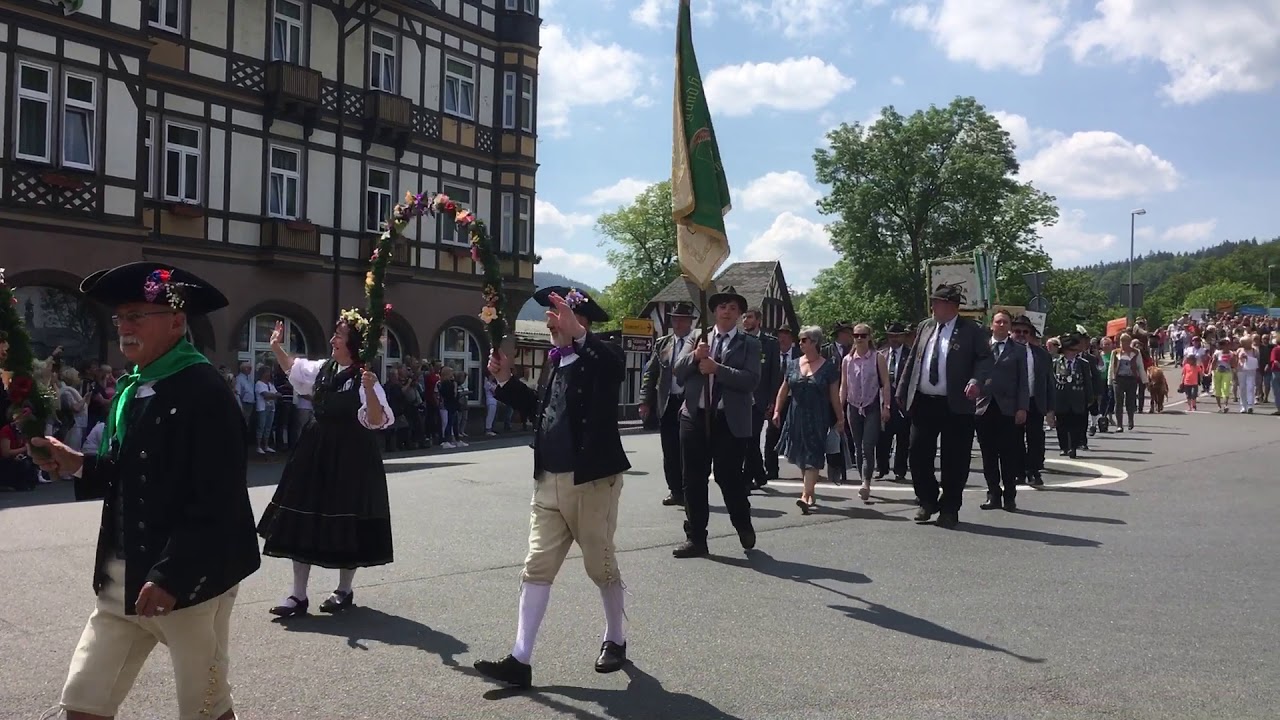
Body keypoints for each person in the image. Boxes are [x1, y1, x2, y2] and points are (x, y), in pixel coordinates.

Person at [30, 261, 260, 720]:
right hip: (123, 577)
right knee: (82, 703)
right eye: (120, 318)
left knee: (205, 709)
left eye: (137, 315)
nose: (124, 328)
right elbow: (131, 473)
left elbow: (218, 497)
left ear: (176, 321)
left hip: (187, 583)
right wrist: (78, 465)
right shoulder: (133, 388)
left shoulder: (204, 390)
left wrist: (172, 574)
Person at [471, 286, 631, 689]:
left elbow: (613, 369)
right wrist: (505, 380)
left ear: (580, 321)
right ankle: (520, 659)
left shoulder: (602, 355)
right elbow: (541, 410)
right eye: (548, 314)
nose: (548, 320)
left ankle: (616, 637)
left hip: (591, 480)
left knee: (601, 564)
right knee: (536, 566)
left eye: (556, 313)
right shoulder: (555, 362)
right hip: (548, 480)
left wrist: (580, 335)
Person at [256, 311, 395, 617]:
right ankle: (298, 595)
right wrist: (277, 348)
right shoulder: (324, 369)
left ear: (353, 344)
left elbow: (376, 420)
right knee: (300, 515)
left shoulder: (363, 378)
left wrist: (370, 389)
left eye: (339, 335)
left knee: (347, 519)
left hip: (352, 454)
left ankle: (343, 590)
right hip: (315, 448)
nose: (333, 340)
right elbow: (295, 369)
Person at [672, 287, 762, 558]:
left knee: (728, 477)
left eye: (733, 308)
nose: (727, 311)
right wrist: (696, 357)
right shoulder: (698, 339)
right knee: (693, 479)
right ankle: (696, 538)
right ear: (714, 311)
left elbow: (750, 380)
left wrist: (717, 370)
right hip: (695, 416)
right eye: (723, 306)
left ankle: (742, 522)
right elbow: (678, 370)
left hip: (728, 419)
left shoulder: (750, 344)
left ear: (739, 314)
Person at [896, 284, 992, 528]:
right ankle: (927, 500)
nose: (932, 306)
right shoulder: (925, 327)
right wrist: (902, 390)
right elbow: (914, 360)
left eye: (937, 302)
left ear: (950, 305)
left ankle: (949, 508)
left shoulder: (971, 330)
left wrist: (976, 381)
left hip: (956, 405)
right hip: (925, 402)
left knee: (955, 459)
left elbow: (984, 359)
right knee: (917, 453)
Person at [774, 326, 841, 513]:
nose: (800, 343)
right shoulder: (794, 364)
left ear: (814, 342)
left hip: (818, 417)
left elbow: (834, 396)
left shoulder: (828, 367)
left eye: (804, 340)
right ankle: (810, 493)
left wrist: (840, 418)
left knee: (813, 454)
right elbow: (784, 389)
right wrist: (777, 411)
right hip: (796, 416)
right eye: (800, 339)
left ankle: (805, 495)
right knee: (802, 456)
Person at [639, 301, 697, 506]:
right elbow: (651, 373)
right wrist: (645, 401)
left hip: (690, 402)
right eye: (675, 319)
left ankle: (689, 490)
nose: (678, 323)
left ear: (690, 322)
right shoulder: (663, 344)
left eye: (683, 319)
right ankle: (675, 491)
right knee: (670, 450)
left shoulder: (698, 342)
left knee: (688, 450)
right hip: (668, 402)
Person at [975, 310, 1030, 512]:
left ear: (1009, 327)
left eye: (1005, 322)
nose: (1001, 325)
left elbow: (1023, 382)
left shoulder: (1018, 350)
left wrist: (1022, 407)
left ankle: (1010, 496)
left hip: (1008, 408)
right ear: (992, 325)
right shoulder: (981, 348)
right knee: (988, 454)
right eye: (998, 321)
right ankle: (993, 494)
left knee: (1008, 454)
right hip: (984, 406)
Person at [838, 323, 890, 503]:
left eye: (863, 335)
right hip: (853, 405)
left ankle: (866, 483)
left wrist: (887, 407)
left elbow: (885, 384)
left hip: (872, 405)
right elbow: (844, 386)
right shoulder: (847, 360)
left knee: (868, 446)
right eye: (856, 335)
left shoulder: (877, 358)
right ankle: (863, 479)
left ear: (869, 337)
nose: (859, 339)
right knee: (858, 447)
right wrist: (840, 410)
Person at [741, 307, 780, 491]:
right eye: (744, 318)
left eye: (749, 317)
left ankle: (748, 478)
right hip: (741, 398)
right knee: (746, 439)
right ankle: (759, 474)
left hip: (760, 399)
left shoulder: (770, 343)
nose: (745, 321)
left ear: (758, 321)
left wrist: (772, 401)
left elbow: (774, 374)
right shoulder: (739, 341)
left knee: (752, 438)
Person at [1015, 316, 1054, 488]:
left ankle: (1033, 470)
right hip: (1013, 403)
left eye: (1026, 332)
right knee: (1015, 439)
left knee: (1035, 438)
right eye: (1018, 331)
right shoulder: (1006, 351)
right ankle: (1019, 471)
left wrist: (1051, 409)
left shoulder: (1041, 354)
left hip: (1035, 401)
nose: (1022, 334)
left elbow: (1049, 383)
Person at [876, 322, 912, 484]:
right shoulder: (881, 354)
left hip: (903, 402)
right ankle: (882, 469)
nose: (894, 339)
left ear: (903, 337)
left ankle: (900, 470)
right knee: (883, 437)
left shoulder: (910, 355)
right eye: (891, 336)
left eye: (897, 336)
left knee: (903, 438)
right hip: (885, 401)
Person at [763, 325, 800, 483]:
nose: (782, 338)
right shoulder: (771, 355)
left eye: (786, 335)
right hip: (777, 400)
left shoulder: (800, 355)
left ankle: (809, 468)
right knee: (772, 435)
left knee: (800, 435)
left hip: (796, 400)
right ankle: (771, 469)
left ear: (792, 338)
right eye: (780, 335)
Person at [1051, 333, 1095, 458]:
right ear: (1064, 351)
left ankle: (1073, 447)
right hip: (1061, 398)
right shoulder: (1056, 363)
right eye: (1070, 350)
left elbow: (1088, 382)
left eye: (1075, 350)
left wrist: (1090, 398)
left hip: (1078, 398)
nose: (1073, 353)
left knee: (1076, 425)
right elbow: (1052, 381)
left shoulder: (1083, 364)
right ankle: (1064, 447)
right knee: (1062, 424)